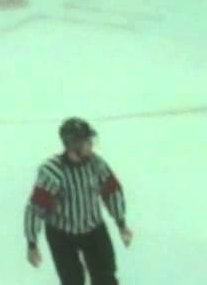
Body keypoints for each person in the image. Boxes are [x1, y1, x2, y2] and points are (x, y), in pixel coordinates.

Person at [24, 118, 132, 285]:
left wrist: (121, 223)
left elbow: (112, 192)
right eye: (87, 141)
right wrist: (32, 243)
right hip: (62, 235)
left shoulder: (96, 165)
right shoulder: (53, 172)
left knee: (106, 278)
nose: (91, 145)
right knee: (72, 281)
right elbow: (36, 208)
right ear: (73, 145)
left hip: (93, 230)